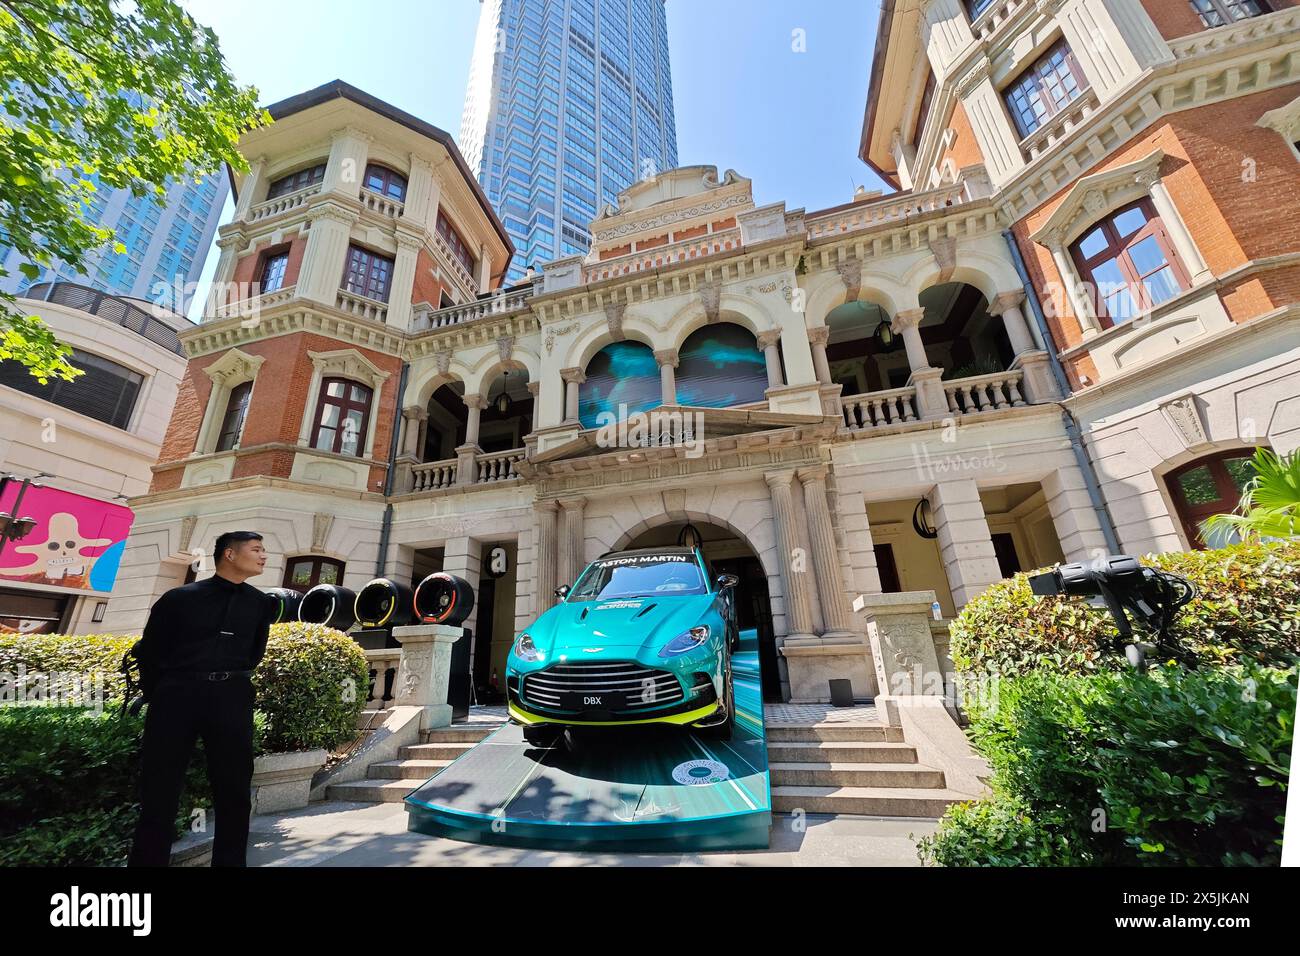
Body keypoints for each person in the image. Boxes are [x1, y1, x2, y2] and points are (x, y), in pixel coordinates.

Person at [127, 531, 275, 867]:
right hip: (176, 695)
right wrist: (162, 693)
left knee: (235, 789)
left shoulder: (259, 603)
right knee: (159, 789)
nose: (264, 556)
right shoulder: (179, 599)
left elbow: (255, 653)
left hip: (232, 696)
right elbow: (150, 652)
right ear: (230, 555)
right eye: (256, 550)